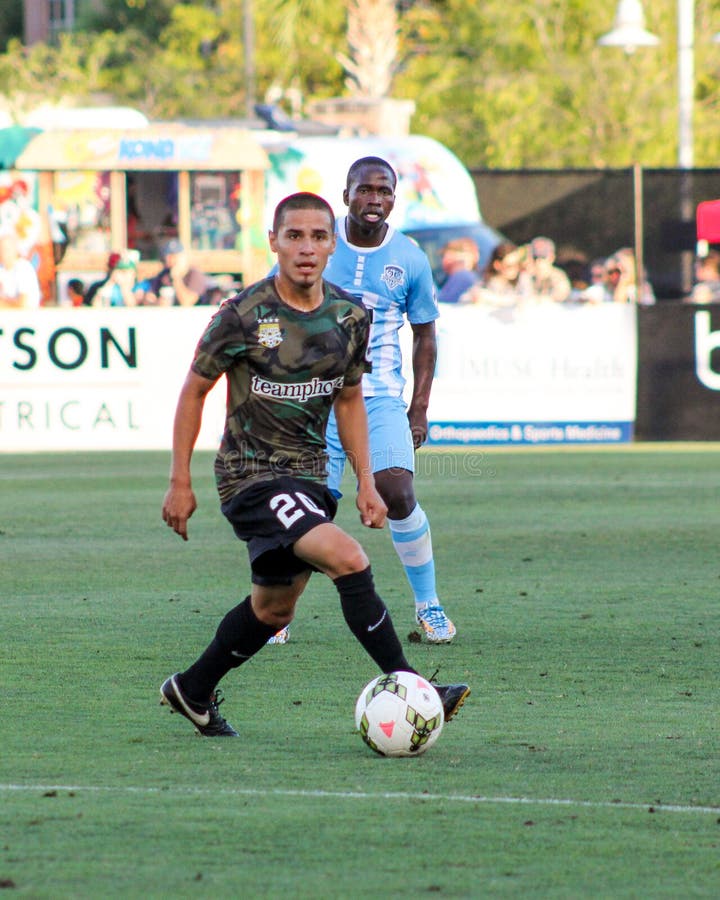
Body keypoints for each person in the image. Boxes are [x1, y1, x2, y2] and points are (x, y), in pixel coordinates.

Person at [158, 191, 469, 737]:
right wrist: (179, 481)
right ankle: (415, 687)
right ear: (273, 241)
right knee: (347, 557)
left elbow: (350, 400)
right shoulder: (241, 315)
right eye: (294, 236)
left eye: (318, 237)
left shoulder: (349, 315)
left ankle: (192, 688)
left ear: (332, 245)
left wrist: (366, 482)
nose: (306, 248)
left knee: (274, 608)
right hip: (250, 475)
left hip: (309, 477)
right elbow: (193, 392)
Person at [275, 155, 457, 648]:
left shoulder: (411, 258)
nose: (374, 200)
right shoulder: (315, 244)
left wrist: (418, 408)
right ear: (346, 195)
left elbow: (425, 336)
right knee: (307, 507)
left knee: (397, 490)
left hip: (377, 399)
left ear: (394, 198)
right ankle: (276, 613)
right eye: (364, 190)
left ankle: (428, 605)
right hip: (313, 400)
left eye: (384, 191)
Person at [464, 241, 533, 306]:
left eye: (518, 264)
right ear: (497, 265)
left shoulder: (522, 279)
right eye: (510, 266)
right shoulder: (484, 283)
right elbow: (467, 299)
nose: (515, 269)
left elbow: (528, 301)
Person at [144, 239, 208, 307]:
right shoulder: (165, 273)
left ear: (182, 257)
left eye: (173, 256)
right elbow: (149, 298)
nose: (169, 260)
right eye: (167, 257)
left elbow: (187, 302)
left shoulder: (195, 274)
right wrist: (157, 303)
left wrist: (176, 278)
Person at [0, 230, 42, 309]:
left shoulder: (23, 268)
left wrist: (2, 303)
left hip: (26, 319)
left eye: (7, 249)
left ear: (15, 249)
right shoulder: (2, 270)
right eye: (2, 249)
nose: (4, 252)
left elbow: (23, 305)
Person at [527, 236, 572, 303]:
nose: (538, 261)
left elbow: (561, 296)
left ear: (551, 257)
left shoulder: (558, 277)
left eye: (543, 257)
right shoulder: (527, 276)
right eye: (535, 257)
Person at [437, 237, 481, 303]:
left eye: (445, 256)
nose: (443, 261)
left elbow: (443, 301)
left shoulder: (463, 276)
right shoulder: (448, 277)